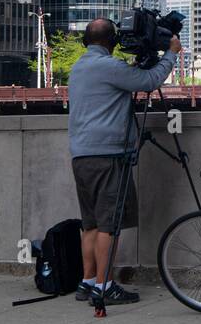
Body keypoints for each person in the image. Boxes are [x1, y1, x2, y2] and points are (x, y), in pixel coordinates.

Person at [67, 17, 180, 306]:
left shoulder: (79, 67)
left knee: (90, 223)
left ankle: (88, 281)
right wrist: (171, 54)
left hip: (81, 155)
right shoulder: (110, 67)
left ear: (86, 42)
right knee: (109, 224)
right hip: (108, 155)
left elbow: (124, 80)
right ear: (112, 42)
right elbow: (150, 81)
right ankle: (105, 287)